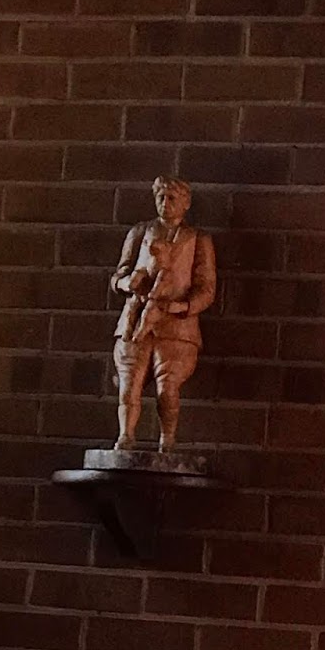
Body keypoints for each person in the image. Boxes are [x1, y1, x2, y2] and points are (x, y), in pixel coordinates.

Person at [111, 177, 216, 452]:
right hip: (137, 319)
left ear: (186, 203)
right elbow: (119, 274)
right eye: (160, 197)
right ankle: (126, 436)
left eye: (172, 198)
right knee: (129, 385)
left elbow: (206, 287)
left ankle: (167, 440)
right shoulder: (140, 232)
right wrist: (127, 283)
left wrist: (183, 307)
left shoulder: (198, 240)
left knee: (167, 389)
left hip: (176, 327)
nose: (165, 204)